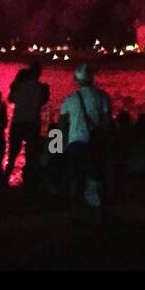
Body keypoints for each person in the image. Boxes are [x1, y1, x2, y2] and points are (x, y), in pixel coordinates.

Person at [59, 64, 111, 209]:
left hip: (74, 144)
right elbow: (106, 123)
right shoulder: (103, 97)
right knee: (94, 179)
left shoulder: (69, 99)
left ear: (77, 80)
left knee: (75, 178)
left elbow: (61, 125)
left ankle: (74, 209)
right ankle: (95, 211)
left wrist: (54, 148)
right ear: (92, 78)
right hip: (94, 143)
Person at [6, 60, 50, 183]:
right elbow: (44, 101)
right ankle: (29, 182)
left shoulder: (18, 86)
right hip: (32, 123)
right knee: (31, 155)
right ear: (39, 73)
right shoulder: (42, 88)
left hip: (18, 121)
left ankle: (5, 180)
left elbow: (11, 99)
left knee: (12, 155)